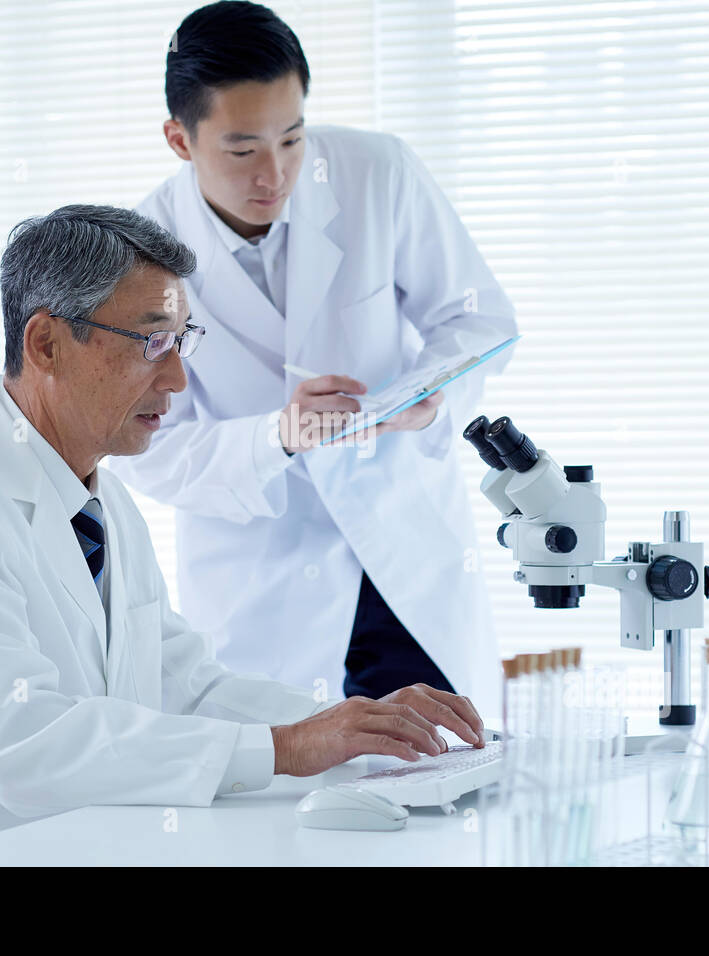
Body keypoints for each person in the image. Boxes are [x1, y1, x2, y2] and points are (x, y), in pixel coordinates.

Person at [0, 205, 485, 866]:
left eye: (182, 341)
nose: (177, 380)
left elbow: (184, 684)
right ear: (47, 344)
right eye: (151, 342)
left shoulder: (102, 499)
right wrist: (284, 748)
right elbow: (20, 740)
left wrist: (357, 727)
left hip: (91, 845)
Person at [111, 1, 517, 714]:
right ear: (179, 139)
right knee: (281, 805)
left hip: (405, 561)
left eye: (292, 138)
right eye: (242, 150)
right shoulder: (142, 250)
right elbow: (145, 449)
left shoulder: (375, 172)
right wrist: (276, 437)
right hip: (264, 587)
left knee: (446, 780)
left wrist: (427, 398)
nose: (275, 174)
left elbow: (479, 318)